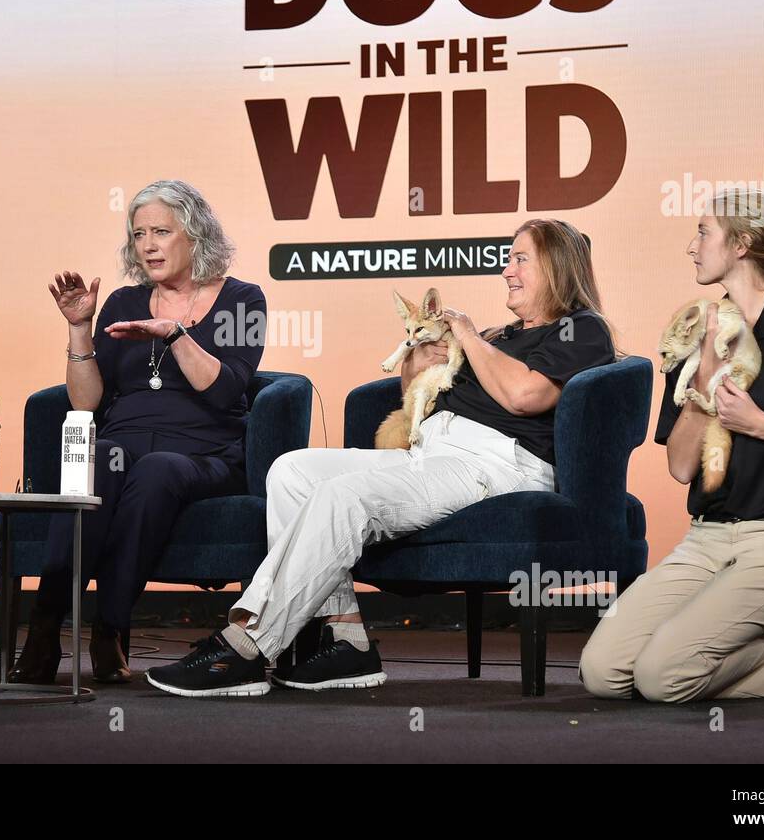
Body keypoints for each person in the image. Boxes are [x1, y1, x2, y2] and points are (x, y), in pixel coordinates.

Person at [147, 218, 617, 697]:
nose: (506, 270)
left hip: (493, 465)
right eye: (508, 258)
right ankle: (345, 639)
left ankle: (246, 643)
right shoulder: (506, 336)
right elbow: (416, 397)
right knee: (293, 470)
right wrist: (420, 358)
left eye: (520, 259)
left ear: (557, 268)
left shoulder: (580, 329)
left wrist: (469, 336)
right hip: (431, 451)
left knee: (344, 496)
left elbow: (524, 396)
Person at [579, 191, 764, 701]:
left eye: (703, 232)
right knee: (603, 672)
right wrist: (705, 364)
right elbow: (680, 467)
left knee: (660, 677)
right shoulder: (694, 331)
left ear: (742, 244)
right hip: (707, 540)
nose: (691, 246)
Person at [9, 179, 266, 685]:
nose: (147, 245)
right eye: (139, 233)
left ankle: (110, 628)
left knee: (156, 470)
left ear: (195, 236)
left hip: (203, 452)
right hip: (123, 442)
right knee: (96, 461)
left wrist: (175, 335)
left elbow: (225, 390)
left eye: (161, 232)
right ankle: (43, 633)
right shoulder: (124, 302)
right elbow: (86, 403)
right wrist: (80, 329)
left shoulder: (243, 299)